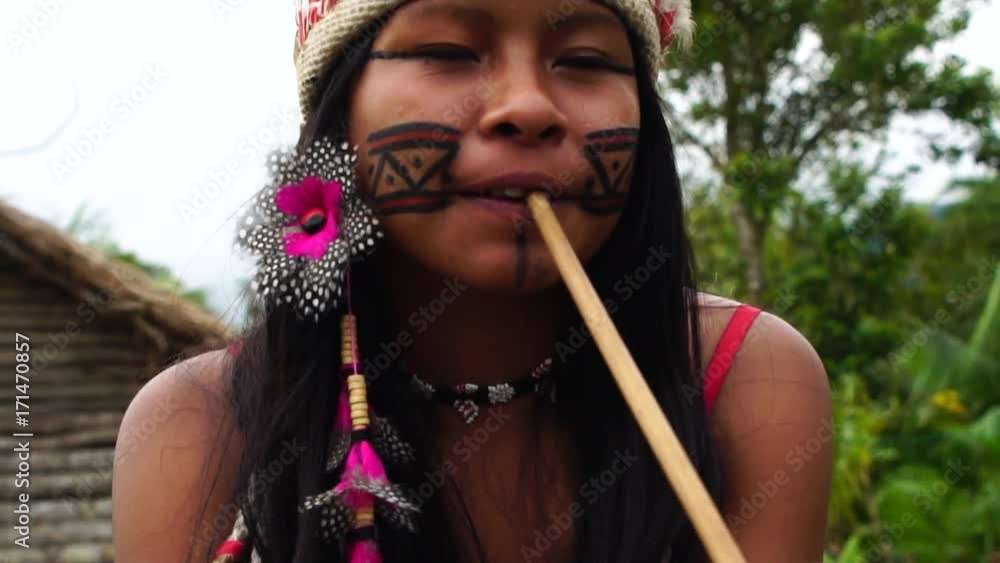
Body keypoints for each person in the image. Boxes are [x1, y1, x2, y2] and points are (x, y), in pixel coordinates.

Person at [111, 0, 833, 561]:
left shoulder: (747, 382)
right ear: (338, 110)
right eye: (447, 50)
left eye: (584, 59)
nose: (528, 107)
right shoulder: (196, 427)